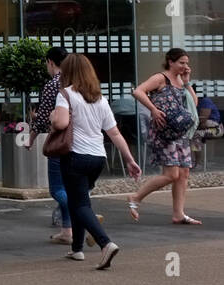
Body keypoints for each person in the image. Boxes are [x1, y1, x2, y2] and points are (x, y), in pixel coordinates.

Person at [50, 54, 140, 268]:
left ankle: (105, 243)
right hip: (98, 158)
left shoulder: (66, 94)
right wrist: (129, 159)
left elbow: (61, 123)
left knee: (79, 203)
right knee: (77, 200)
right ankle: (77, 249)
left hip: (75, 156)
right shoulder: (99, 98)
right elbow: (115, 133)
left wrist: (53, 118)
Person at [128, 48, 201, 225]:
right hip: (164, 133)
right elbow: (138, 91)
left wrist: (187, 82)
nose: (185, 66)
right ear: (171, 62)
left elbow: (193, 104)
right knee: (171, 174)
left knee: (183, 173)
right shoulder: (161, 78)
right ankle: (136, 197)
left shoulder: (180, 81)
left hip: (180, 132)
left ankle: (178, 214)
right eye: (181, 63)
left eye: (187, 63)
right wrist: (153, 109)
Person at [27, 46, 72, 244]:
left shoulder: (53, 84)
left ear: (50, 62)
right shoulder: (77, 81)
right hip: (80, 141)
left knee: (57, 189)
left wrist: (31, 138)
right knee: (69, 185)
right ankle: (67, 231)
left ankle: (82, 214)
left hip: (60, 141)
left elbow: (44, 116)